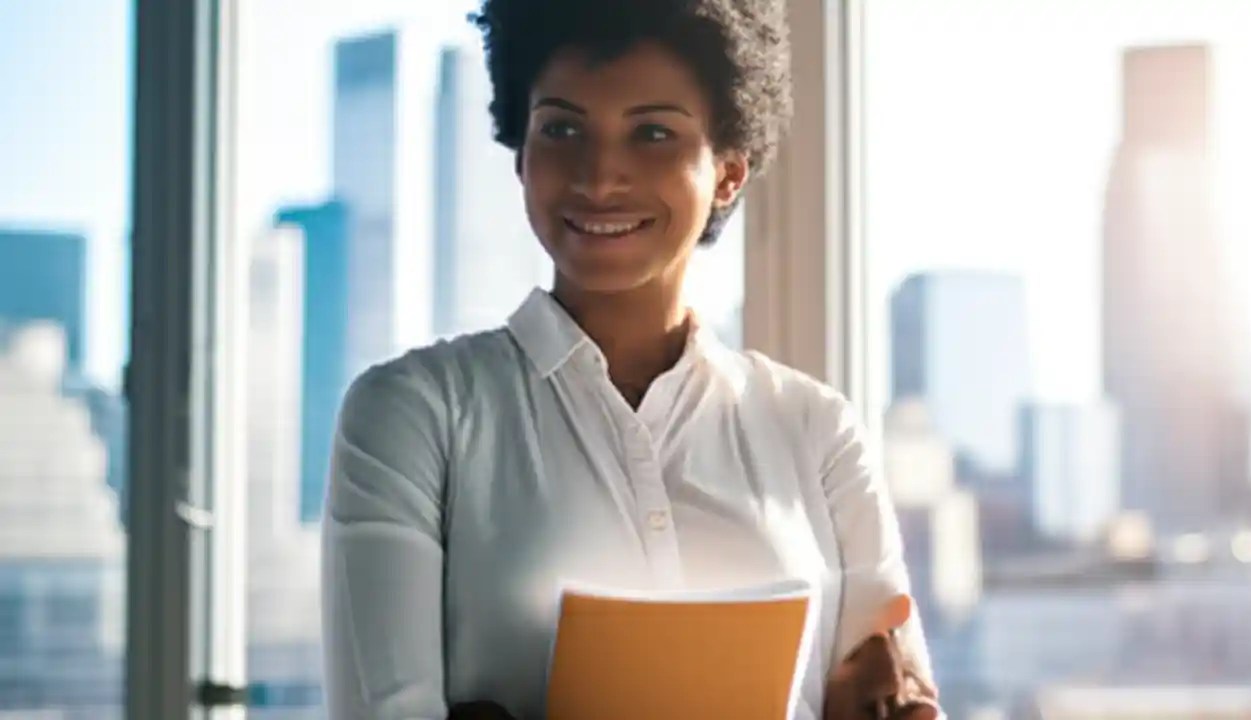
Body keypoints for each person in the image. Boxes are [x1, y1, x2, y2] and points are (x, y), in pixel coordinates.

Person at [321, 0, 941, 718]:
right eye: (561, 128)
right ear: (521, 156)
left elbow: (901, 697)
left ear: (729, 173)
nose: (600, 173)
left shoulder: (815, 427)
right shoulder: (415, 416)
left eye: (652, 133)